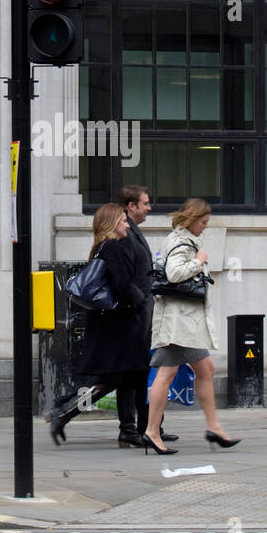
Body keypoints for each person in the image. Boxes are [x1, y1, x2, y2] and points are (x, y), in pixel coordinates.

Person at [144, 197, 241, 456]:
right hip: (178, 324)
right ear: (193, 219)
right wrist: (199, 260)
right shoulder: (181, 242)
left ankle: (214, 427)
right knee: (166, 374)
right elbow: (175, 274)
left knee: (206, 369)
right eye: (204, 222)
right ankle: (152, 431)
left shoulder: (183, 240)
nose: (206, 227)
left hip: (186, 324)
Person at [52, 203, 150, 448]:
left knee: (126, 376)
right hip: (119, 324)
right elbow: (122, 286)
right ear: (111, 224)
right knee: (116, 377)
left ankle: (129, 429)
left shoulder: (100, 247)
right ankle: (64, 412)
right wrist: (141, 299)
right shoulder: (113, 248)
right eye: (122, 221)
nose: (127, 224)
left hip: (113, 322)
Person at [117, 184, 177, 445]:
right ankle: (130, 429)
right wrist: (141, 300)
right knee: (131, 374)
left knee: (142, 372)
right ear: (131, 206)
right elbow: (124, 277)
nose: (149, 207)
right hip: (133, 316)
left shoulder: (134, 232)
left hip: (142, 314)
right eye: (145, 203)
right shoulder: (124, 233)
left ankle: (148, 426)